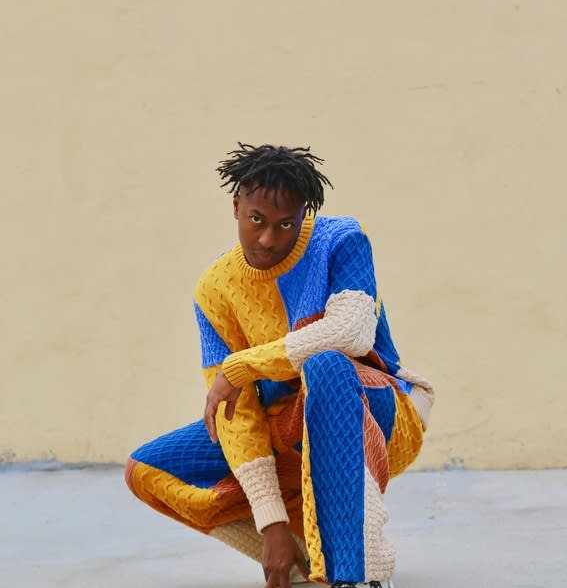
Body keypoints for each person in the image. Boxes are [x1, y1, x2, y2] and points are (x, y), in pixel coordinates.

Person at [126, 143, 434, 588]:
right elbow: (237, 414)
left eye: (285, 224)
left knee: (326, 365)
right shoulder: (214, 290)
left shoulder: (341, 240)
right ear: (236, 206)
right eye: (257, 220)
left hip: (375, 412)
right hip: (284, 430)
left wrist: (243, 365)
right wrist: (270, 523)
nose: (268, 239)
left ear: (303, 214)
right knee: (148, 470)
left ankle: (357, 571)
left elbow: (352, 332)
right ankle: (302, 553)